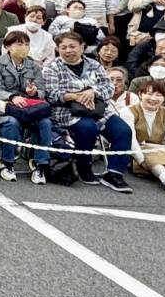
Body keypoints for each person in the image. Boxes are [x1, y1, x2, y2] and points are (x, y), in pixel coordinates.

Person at [42, 31, 134, 192]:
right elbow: (51, 94)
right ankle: (84, 166)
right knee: (88, 128)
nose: (68, 50)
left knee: (123, 130)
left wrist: (93, 92)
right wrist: (75, 96)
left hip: (96, 109)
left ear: (82, 47)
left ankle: (114, 174)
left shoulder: (94, 64)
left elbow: (109, 88)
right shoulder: (51, 67)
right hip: (67, 111)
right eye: (63, 47)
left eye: (72, 46)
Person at [0, 28, 54, 183]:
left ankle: (39, 164)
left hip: (28, 107)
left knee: (45, 122)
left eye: (26, 44)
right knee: (11, 122)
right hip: (4, 106)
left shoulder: (34, 66)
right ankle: (7, 162)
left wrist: (34, 92)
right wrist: (12, 96)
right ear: (8, 46)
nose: (24, 47)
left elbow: (42, 90)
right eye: (19, 43)